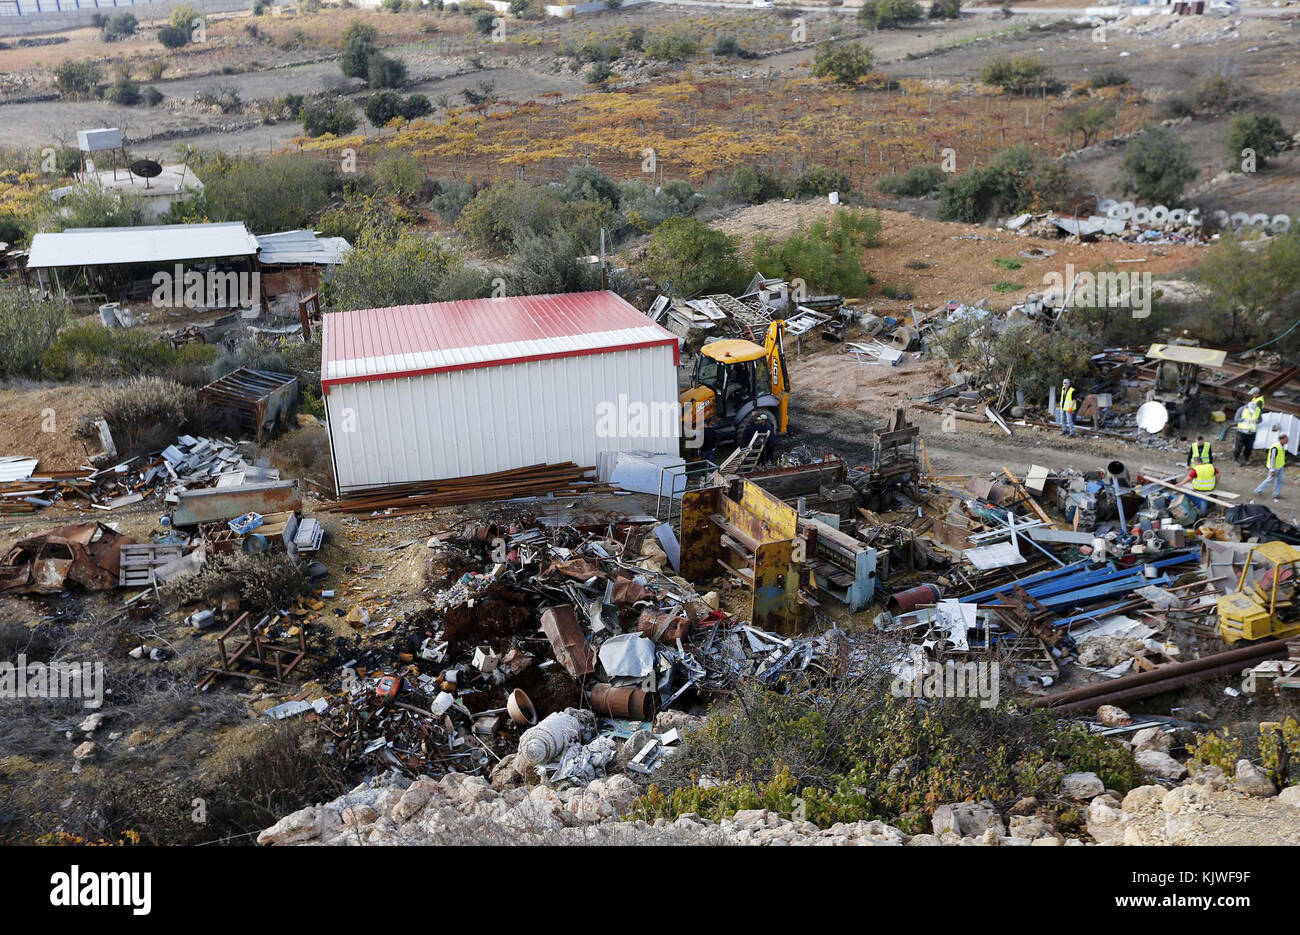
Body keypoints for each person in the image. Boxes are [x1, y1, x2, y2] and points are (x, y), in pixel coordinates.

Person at [1253, 433, 1288, 502]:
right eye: (1286, 440)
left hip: (1280, 466)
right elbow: (1272, 458)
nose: (1287, 441)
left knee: (1280, 481)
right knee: (1270, 480)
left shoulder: (1282, 446)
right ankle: (1257, 491)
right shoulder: (1275, 447)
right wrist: (1272, 469)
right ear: (1282, 439)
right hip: (1275, 467)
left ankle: (1276, 494)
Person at [1233, 388, 1264, 465]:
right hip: (1242, 432)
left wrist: (1256, 421)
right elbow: (1236, 419)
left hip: (1252, 432)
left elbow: (1260, 420)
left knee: (1249, 447)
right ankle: (1236, 459)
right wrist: (1244, 420)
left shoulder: (1257, 410)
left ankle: (1246, 458)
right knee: (1238, 447)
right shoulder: (1242, 409)